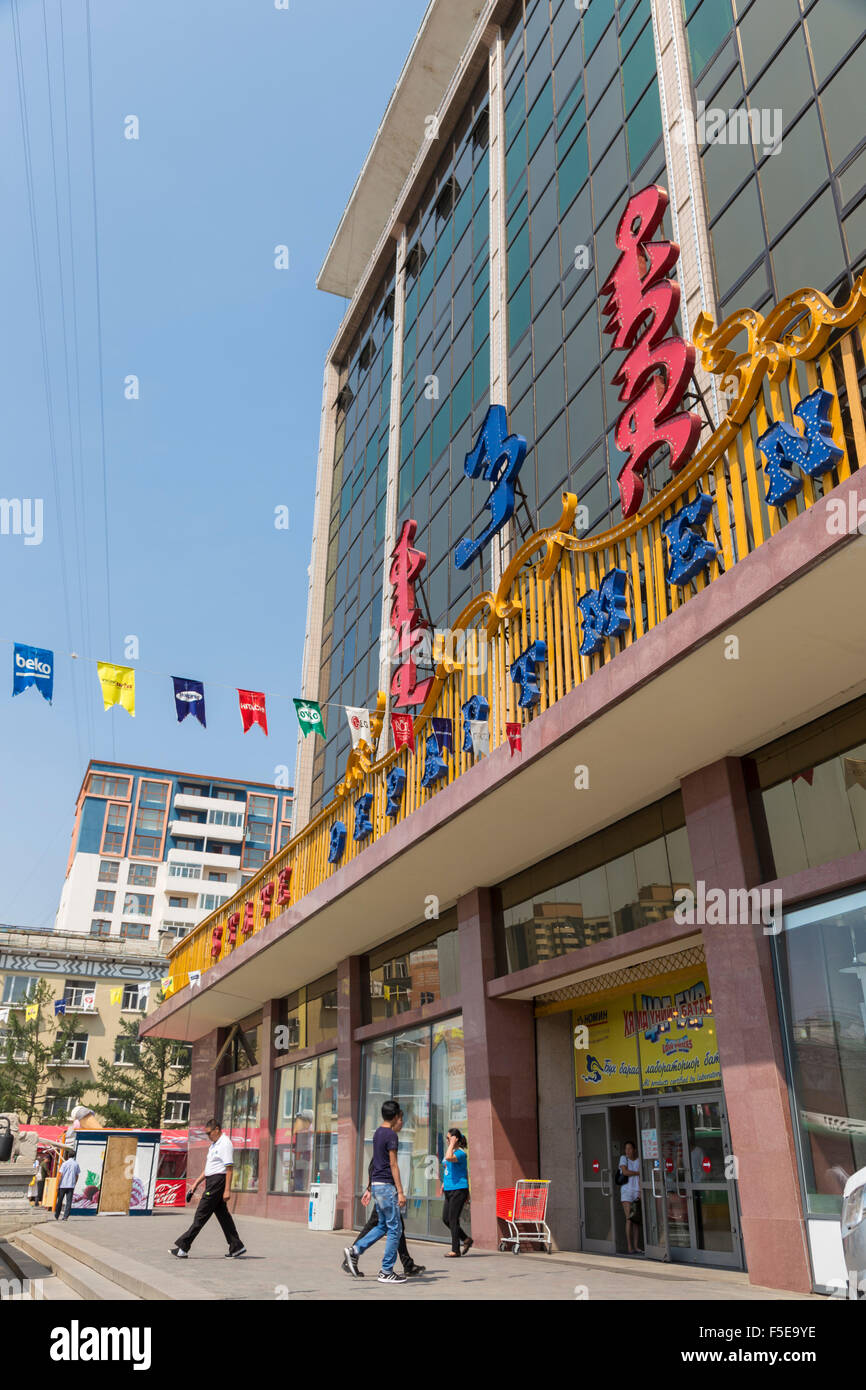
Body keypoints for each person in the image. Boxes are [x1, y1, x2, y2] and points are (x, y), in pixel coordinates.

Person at [342, 1111, 425, 1278]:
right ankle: (380, 1267)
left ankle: (356, 1252)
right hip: (387, 1190)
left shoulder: (381, 1135)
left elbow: (376, 1165)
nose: (402, 1123)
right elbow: (380, 1165)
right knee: (391, 1228)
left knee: (388, 1226)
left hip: (383, 1189)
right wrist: (395, 1192)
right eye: (401, 1119)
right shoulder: (388, 1136)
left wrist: (372, 1188)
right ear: (395, 1119)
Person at [170, 1118, 246, 1259]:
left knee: (201, 1214)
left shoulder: (225, 1144)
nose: (208, 1136)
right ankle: (237, 1247)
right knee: (224, 1217)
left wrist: (227, 1190)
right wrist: (196, 1184)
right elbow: (208, 1169)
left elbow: (229, 1168)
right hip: (212, 1180)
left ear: (217, 1129)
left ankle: (183, 1247)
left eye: (209, 1133)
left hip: (218, 1182)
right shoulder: (214, 1145)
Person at [441, 1128, 472, 1256]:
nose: (447, 1141)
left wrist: (453, 1144)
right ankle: (466, 1239)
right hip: (449, 1189)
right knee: (446, 1219)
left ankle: (455, 1250)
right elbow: (448, 1167)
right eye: (447, 1139)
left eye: (449, 1138)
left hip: (458, 1190)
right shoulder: (452, 1151)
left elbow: (448, 1158)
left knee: (453, 1219)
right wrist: (444, 1183)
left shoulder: (460, 1153)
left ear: (455, 1139)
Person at [619, 1140, 642, 1254]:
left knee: (636, 1220)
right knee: (629, 1219)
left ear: (634, 1150)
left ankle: (636, 1246)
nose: (627, 1151)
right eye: (626, 1148)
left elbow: (642, 1177)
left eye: (630, 1148)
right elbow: (625, 1172)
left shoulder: (639, 1160)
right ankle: (629, 1246)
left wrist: (641, 1192)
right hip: (626, 1192)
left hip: (637, 1191)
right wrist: (638, 1173)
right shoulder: (623, 1158)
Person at [55, 1149, 81, 1221]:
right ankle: (65, 1216)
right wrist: (74, 1183)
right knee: (69, 1201)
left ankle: (57, 1214)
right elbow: (77, 1175)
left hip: (63, 1185)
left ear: (68, 1155)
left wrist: (58, 1185)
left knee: (60, 1200)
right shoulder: (76, 1164)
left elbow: (60, 1175)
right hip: (71, 1185)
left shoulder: (64, 1164)